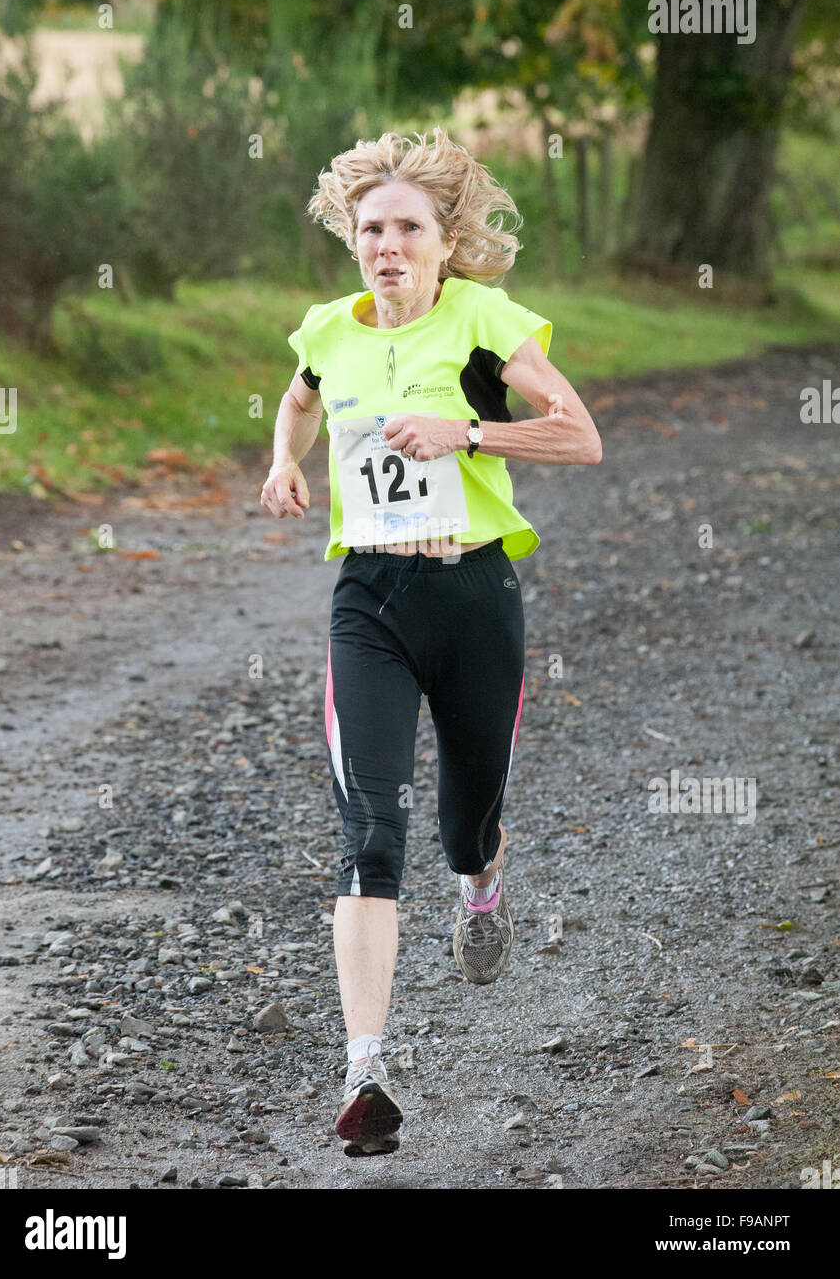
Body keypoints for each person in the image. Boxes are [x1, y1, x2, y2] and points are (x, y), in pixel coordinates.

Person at [260, 127, 602, 1157]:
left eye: (408, 227)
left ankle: (481, 884)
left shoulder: (485, 320)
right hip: (367, 598)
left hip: (473, 594)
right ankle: (365, 1068)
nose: (387, 245)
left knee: (465, 817)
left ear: (446, 243)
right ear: (352, 241)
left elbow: (580, 434)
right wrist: (284, 462)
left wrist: (469, 432)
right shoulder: (328, 327)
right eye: (371, 229)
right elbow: (299, 398)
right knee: (369, 828)